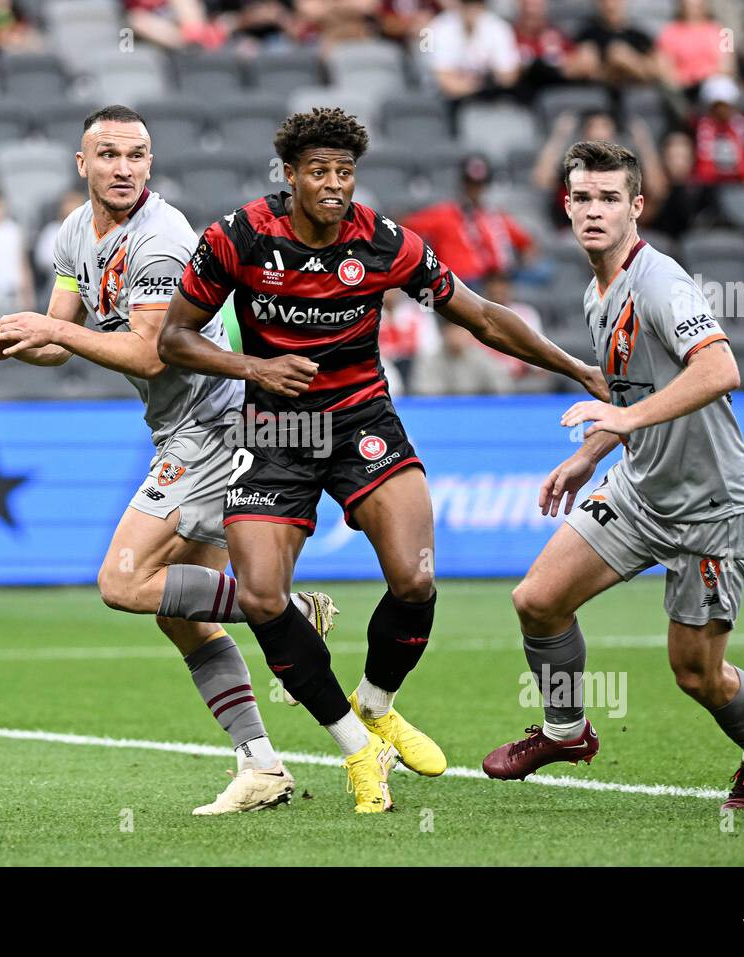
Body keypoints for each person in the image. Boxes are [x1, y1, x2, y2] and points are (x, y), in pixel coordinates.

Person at [156, 107, 607, 813]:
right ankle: (358, 750)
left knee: (415, 575)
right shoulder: (237, 238)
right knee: (262, 594)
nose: (334, 184)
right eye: (318, 171)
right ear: (291, 175)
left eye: (344, 171)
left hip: (362, 422)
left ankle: (377, 703)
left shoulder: (385, 242)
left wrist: (576, 367)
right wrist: (256, 367)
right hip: (275, 432)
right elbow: (174, 340)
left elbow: (482, 315)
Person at [0, 106, 337, 815]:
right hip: (183, 426)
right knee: (181, 614)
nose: (123, 167)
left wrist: (49, 328)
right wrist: (24, 338)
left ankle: (285, 608)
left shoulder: (164, 241)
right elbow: (62, 334)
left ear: (150, 162)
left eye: (136, 155)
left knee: (122, 578)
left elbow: (149, 350)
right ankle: (262, 766)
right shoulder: (74, 234)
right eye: (108, 154)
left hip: (218, 420)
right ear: (82, 163)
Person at [480, 140, 744, 813]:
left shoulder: (660, 282)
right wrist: (590, 453)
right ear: (566, 206)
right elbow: (630, 393)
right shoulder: (599, 291)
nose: (595, 210)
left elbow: (720, 370)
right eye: (583, 198)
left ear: (637, 207)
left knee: (697, 674)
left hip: (711, 507)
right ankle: (566, 730)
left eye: (609, 198)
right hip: (639, 488)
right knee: (537, 599)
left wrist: (624, 425)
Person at [404, 153, 540, 287]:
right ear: (462, 184)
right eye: (470, 184)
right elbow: (405, 228)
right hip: (462, 282)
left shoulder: (495, 216)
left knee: (543, 272)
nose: (475, 190)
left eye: (480, 184)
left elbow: (527, 243)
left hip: (497, 281)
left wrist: (523, 262)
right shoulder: (442, 213)